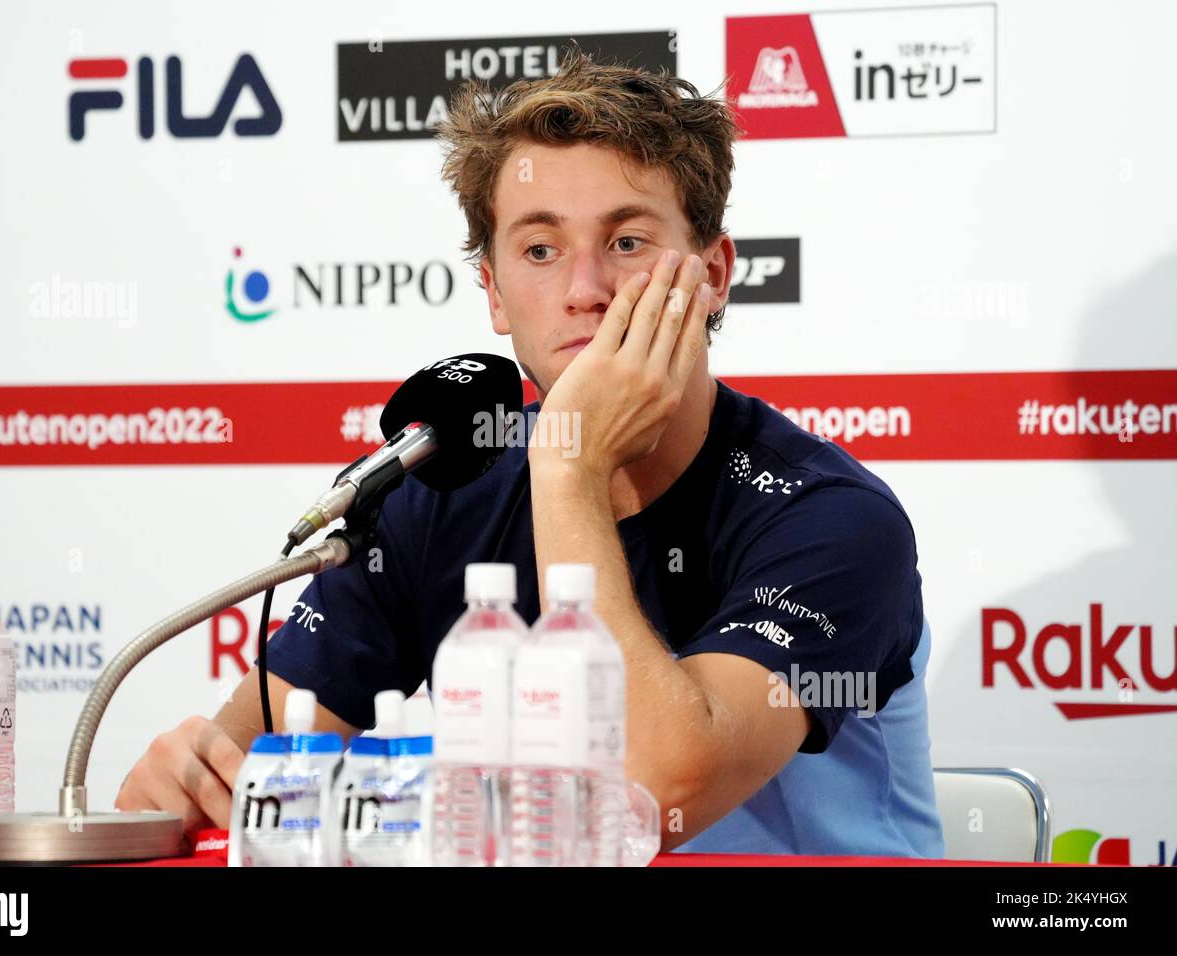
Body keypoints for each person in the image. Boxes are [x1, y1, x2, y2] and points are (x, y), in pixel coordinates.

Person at [116, 49, 945, 857]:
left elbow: (651, 797)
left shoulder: (832, 519)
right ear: (494, 293)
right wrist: (189, 783)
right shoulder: (429, 488)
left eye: (627, 242)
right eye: (540, 250)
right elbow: (255, 764)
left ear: (715, 273)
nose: (585, 288)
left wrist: (568, 468)